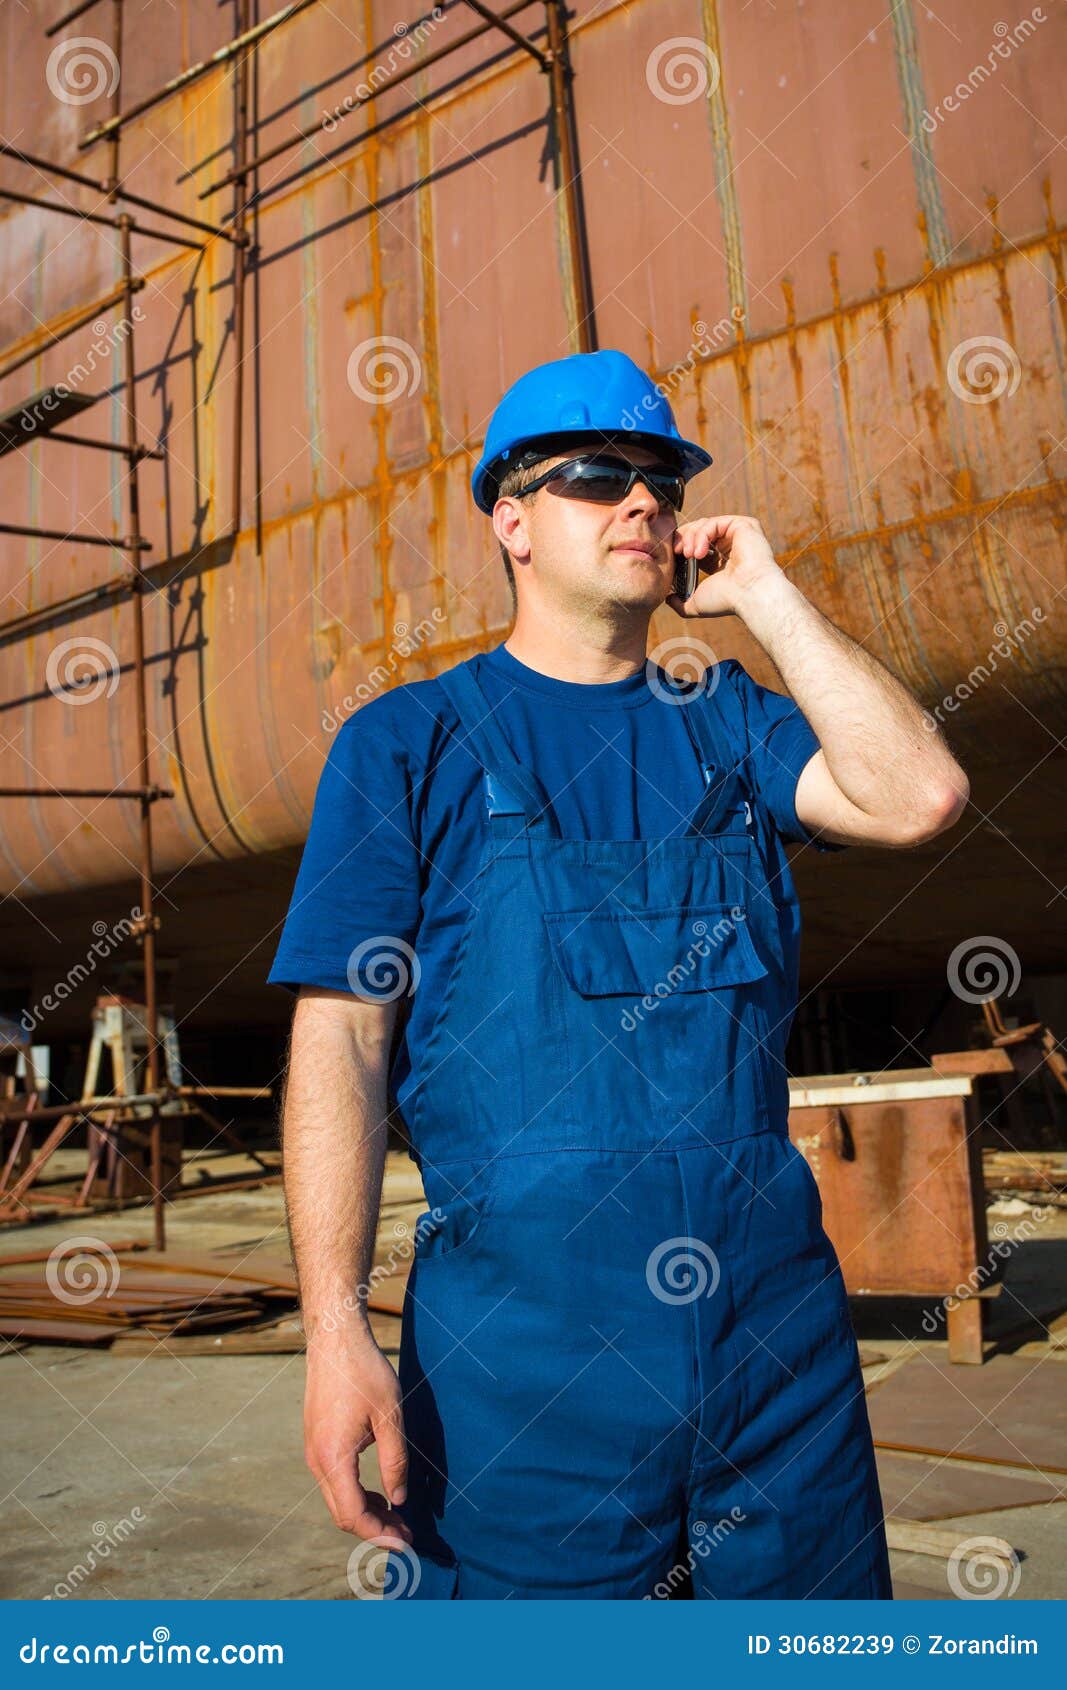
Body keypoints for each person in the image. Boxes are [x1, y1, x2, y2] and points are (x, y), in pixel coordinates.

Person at [269, 349, 969, 1600]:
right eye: (598, 475)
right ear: (513, 520)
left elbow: (916, 795)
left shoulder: (728, 719)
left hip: (772, 1360)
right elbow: (342, 1045)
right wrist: (333, 1327)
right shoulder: (409, 745)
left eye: (660, 478)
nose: (642, 500)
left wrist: (764, 594)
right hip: (519, 1381)